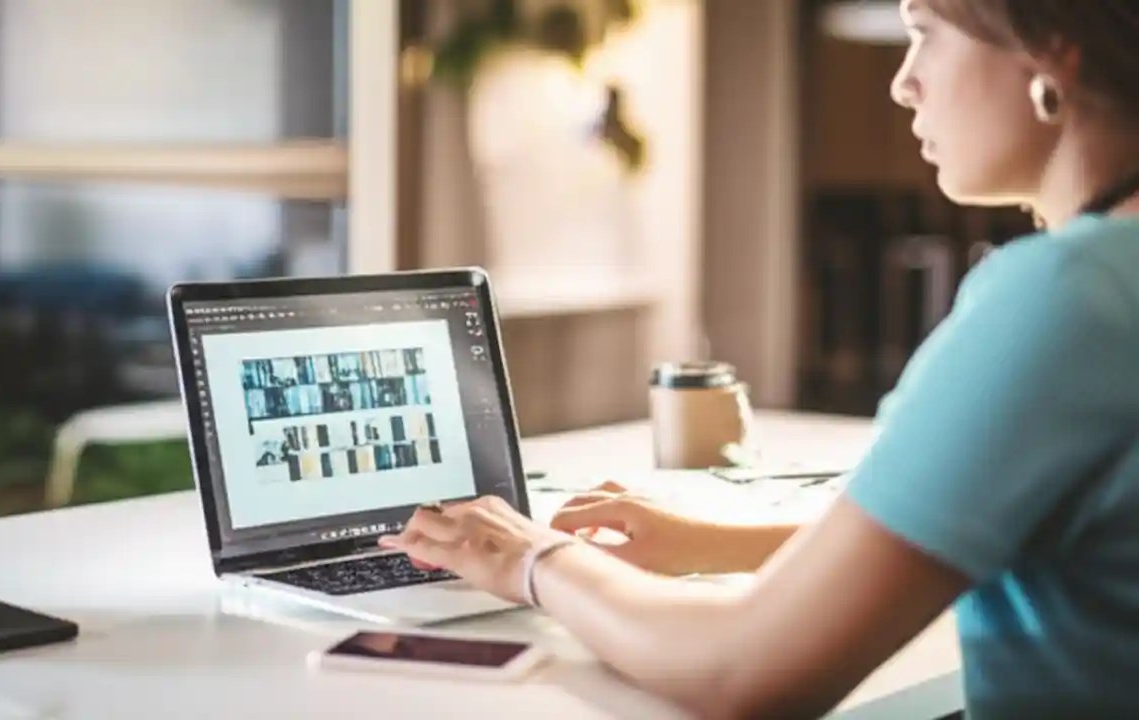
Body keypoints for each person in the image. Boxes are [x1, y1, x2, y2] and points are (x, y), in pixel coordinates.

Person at [379, 1, 1139, 717]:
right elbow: (956, 525)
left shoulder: (1066, 297)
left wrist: (527, 558)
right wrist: (708, 542)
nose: (904, 82)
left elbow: (739, 672)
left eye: (927, 29)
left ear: (1052, 50)